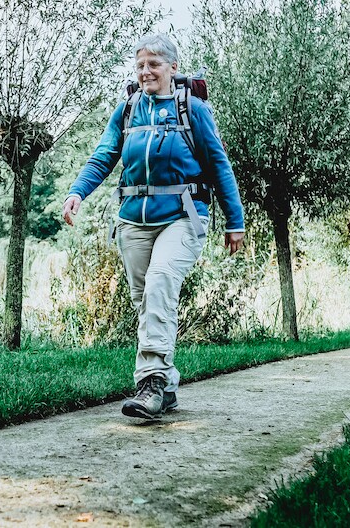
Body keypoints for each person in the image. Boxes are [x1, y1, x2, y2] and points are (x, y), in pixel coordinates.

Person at [62, 33, 245, 420]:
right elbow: (104, 155)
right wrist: (78, 191)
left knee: (161, 282)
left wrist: (235, 221)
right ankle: (169, 384)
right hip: (132, 219)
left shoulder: (192, 109)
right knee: (146, 301)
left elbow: (219, 167)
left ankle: (151, 385)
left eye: (154, 64)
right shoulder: (128, 110)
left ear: (172, 69)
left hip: (183, 215)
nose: (146, 72)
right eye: (140, 64)